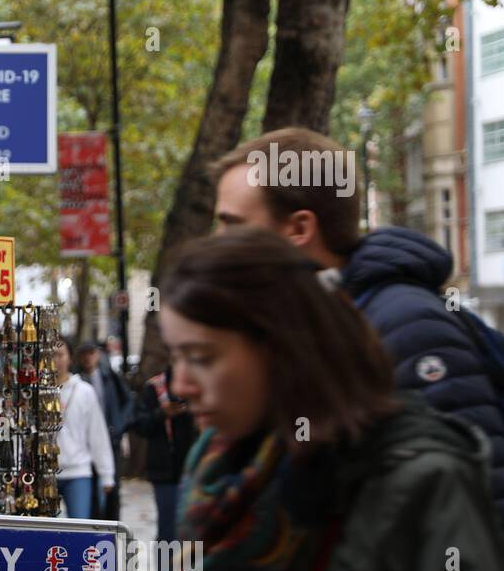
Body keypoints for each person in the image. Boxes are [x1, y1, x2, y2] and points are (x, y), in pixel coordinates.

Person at [158, 227, 504, 571]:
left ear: (282, 347)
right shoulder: (215, 479)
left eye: (201, 358)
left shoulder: (418, 482)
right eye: (175, 358)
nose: (180, 386)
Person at [211, 126, 504, 526]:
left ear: (299, 229)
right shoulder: (304, 330)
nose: (217, 242)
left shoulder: (407, 325)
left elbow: (479, 506)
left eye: (232, 224)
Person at [129, 366, 197, 571]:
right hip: (165, 472)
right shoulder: (153, 388)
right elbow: (139, 425)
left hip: (194, 469)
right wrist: (162, 413)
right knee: (168, 531)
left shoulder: (198, 384)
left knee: (194, 532)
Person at [53, 337, 115, 519]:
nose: (55, 360)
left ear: (70, 358)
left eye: (60, 355)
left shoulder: (84, 391)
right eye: (51, 355)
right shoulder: (36, 390)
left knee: (79, 528)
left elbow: (97, 433)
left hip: (78, 471)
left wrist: (106, 474)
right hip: (45, 473)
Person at [75, 342, 131, 517]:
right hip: (85, 444)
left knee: (111, 486)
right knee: (90, 488)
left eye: (91, 353)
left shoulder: (109, 377)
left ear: (97, 355)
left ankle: (111, 526)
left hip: (111, 438)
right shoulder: (77, 381)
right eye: (83, 353)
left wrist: (119, 426)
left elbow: (128, 401)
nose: (87, 358)